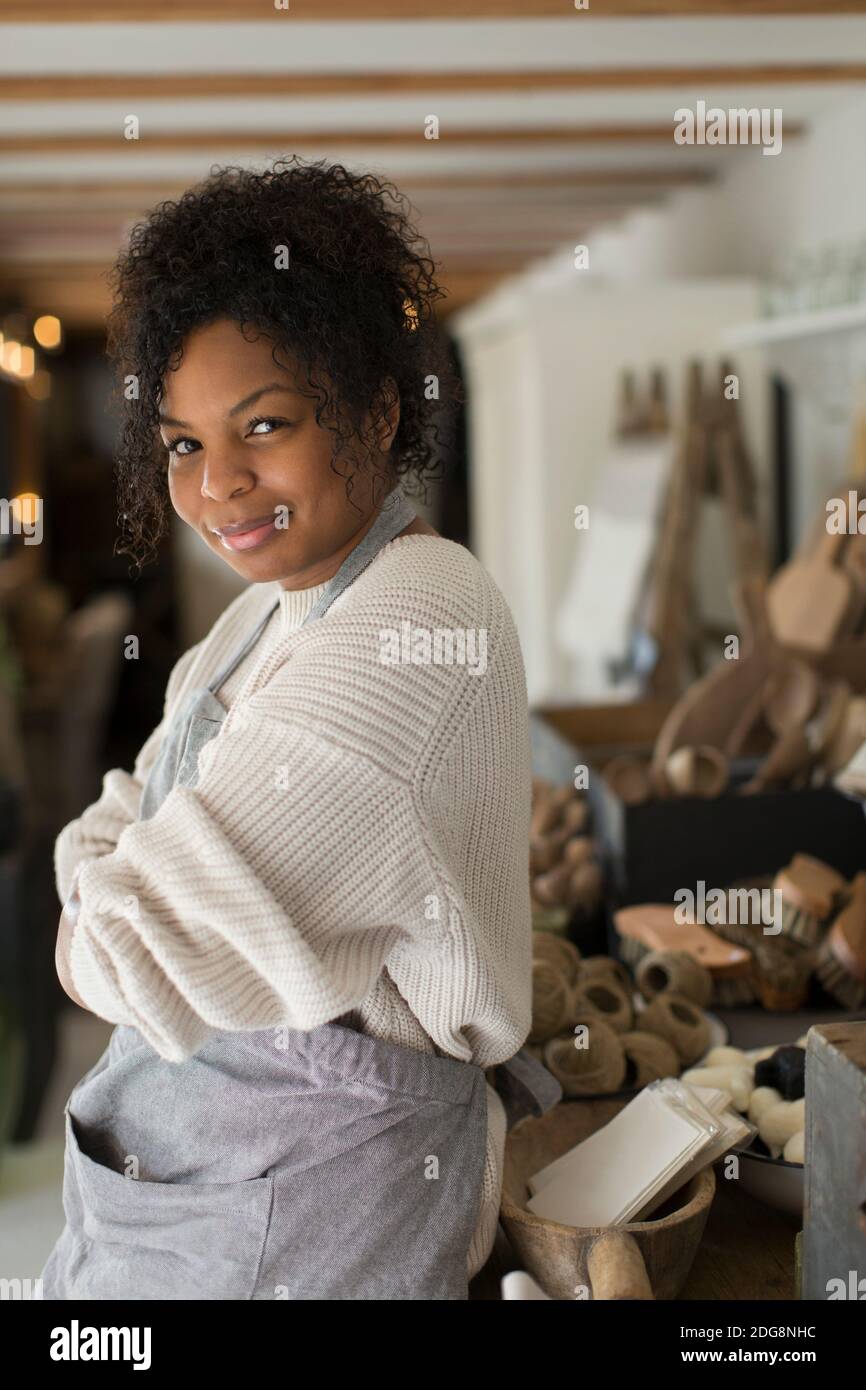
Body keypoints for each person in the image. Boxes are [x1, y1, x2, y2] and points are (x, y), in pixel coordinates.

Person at [43, 157, 559, 1301]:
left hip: (313, 1206)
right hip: (192, 1178)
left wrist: (94, 911)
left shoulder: (418, 618)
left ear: (376, 410)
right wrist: (109, 888)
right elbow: (118, 813)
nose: (217, 484)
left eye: (263, 426)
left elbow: (132, 946)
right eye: (184, 443)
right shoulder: (260, 619)